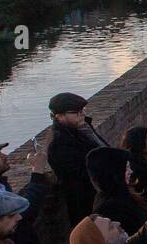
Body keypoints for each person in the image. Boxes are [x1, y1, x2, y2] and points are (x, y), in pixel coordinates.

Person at [45, 91, 108, 229]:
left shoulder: (82, 130)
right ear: (59, 116)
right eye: (76, 112)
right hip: (86, 202)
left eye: (82, 110)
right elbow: (82, 174)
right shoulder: (60, 144)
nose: (82, 115)